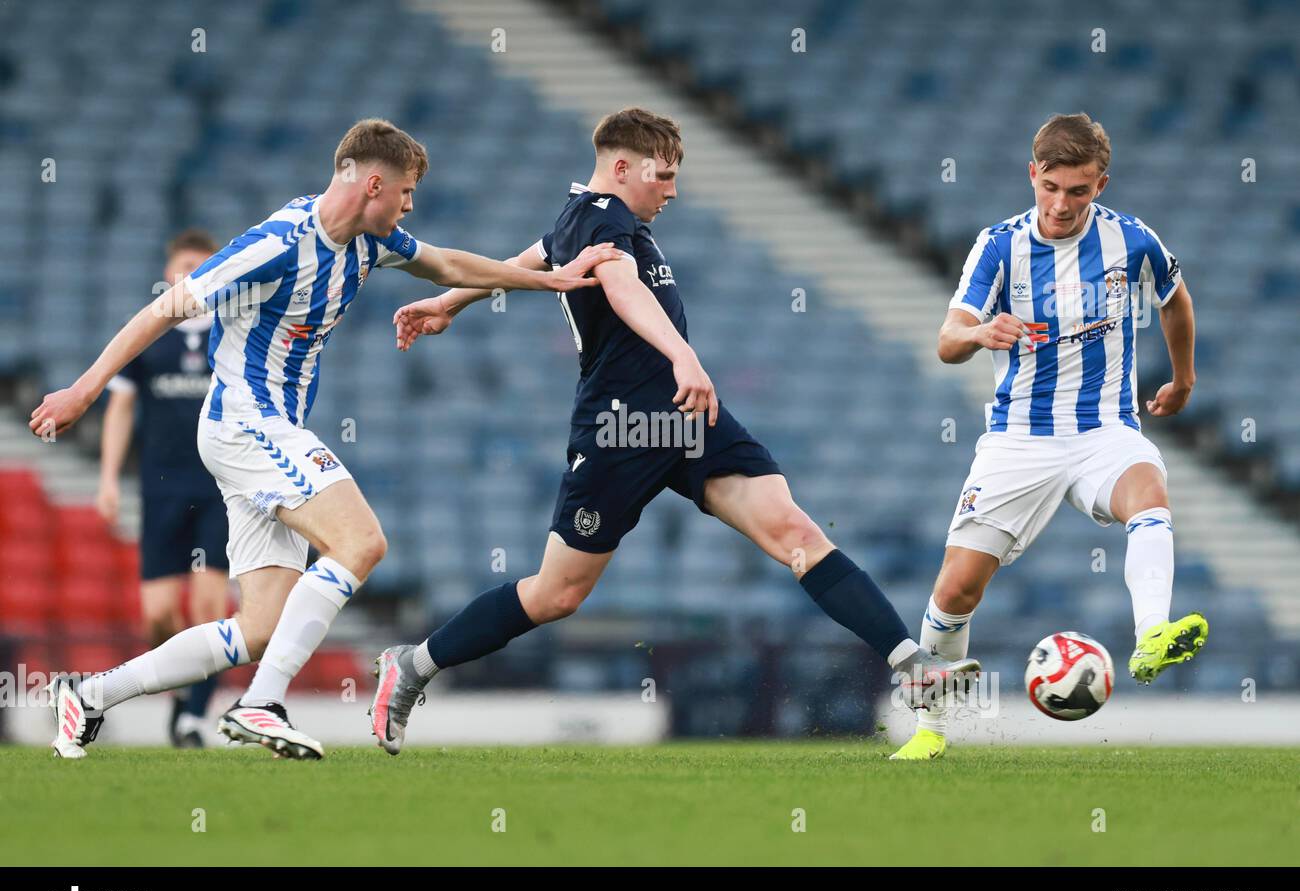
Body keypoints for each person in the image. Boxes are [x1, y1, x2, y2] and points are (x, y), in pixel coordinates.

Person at [370, 107, 979, 755]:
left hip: (687, 420)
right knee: (555, 595)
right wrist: (682, 354)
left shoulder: (596, 220)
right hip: (622, 427)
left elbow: (533, 257)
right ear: (623, 167)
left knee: (797, 534)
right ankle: (413, 666)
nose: (673, 189)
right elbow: (623, 289)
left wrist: (447, 301)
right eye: (663, 174)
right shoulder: (601, 218)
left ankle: (914, 668)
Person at [33, 117, 619, 760]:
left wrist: (549, 279)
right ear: (373, 183)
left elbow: (447, 262)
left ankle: (87, 696)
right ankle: (261, 702)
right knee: (361, 541)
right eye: (406, 192)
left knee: (257, 631)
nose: (410, 205)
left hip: (263, 431)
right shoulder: (277, 243)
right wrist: (85, 391)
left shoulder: (371, 241)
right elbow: (163, 309)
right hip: (246, 422)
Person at [889, 113, 1207, 761]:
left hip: (1105, 430)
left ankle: (1151, 637)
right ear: (1033, 174)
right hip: (1019, 440)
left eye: (1079, 191)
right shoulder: (999, 246)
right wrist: (981, 333)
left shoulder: (1132, 240)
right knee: (956, 590)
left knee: (1149, 490)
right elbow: (949, 339)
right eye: (1051, 187)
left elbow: (1175, 300)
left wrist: (1183, 380)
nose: (1061, 205)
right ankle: (932, 729)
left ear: (1101, 184)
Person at [97, 228, 229, 747]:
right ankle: (179, 684)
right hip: (161, 489)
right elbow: (120, 409)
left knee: (209, 606)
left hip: (219, 488)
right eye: (181, 268)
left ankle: (194, 718)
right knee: (158, 615)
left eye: (198, 267)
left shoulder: (231, 333)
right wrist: (108, 478)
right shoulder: (147, 335)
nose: (187, 277)